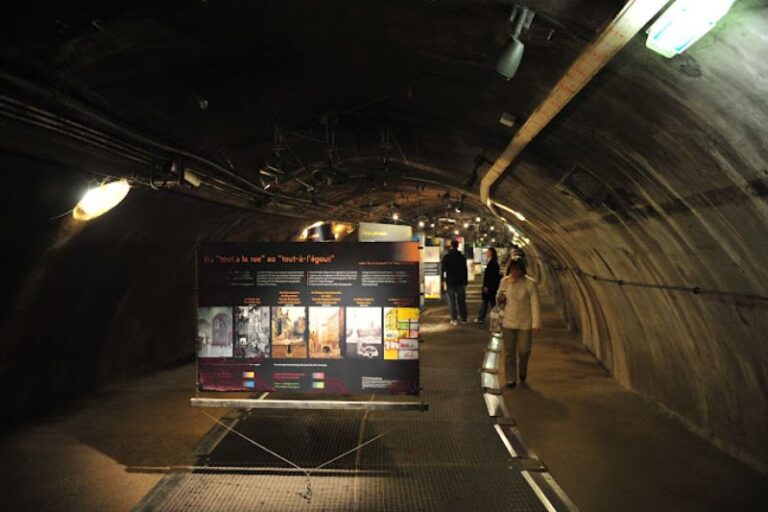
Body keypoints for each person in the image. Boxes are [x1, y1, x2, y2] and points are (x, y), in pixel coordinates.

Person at [497, 257, 540, 388]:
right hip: (508, 322)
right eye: (513, 269)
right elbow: (498, 297)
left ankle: (522, 370)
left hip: (524, 323)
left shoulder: (529, 284)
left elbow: (535, 303)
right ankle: (510, 379)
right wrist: (500, 297)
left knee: (524, 351)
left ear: (522, 270)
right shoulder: (504, 282)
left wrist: (536, 323)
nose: (515, 272)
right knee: (509, 352)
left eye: (518, 270)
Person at [442, 239, 468, 325]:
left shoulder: (447, 257)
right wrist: (466, 281)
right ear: (458, 246)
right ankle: (464, 318)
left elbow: (443, 269)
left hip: (450, 282)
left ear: (451, 246)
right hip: (460, 281)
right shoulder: (462, 257)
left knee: (451, 301)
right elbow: (465, 270)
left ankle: (454, 319)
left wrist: (442, 280)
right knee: (461, 300)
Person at [475, 247, 501, 322]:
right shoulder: (493, 262)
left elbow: (491, 276)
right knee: (488, 302)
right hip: (492, 286)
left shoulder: (493, 263)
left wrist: (487, 286)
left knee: (490, 302)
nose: (487, 253)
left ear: (491, 253)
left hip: (490, 287)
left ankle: (483, 317)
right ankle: (482, 317)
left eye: (488, 252)